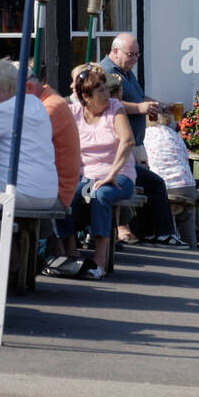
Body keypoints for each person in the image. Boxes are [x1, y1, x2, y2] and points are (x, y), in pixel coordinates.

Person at [100, 35, 184, 247]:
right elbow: (110, 103)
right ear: (115, 51)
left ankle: (148, 232)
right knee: (153, 183)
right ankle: (160, 232)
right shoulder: (107, 73)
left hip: (135, 143)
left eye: (137, 54)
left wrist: (160, 106)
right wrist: (139, 109)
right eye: (131, 54)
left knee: (147, 185)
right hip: (121, 146)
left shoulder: (126, 73)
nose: (135, 58)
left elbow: (139, 98)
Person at [71, 65, 136, 280]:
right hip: (86, 175)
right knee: (64, 196)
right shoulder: (75, 112)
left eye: (106, 88)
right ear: (85, 97)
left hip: (119, 174)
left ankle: (100, 261)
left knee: (101, 195)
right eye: (100, 90)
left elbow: (127, 141)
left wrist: (112, 174)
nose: (107, 93)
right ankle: (69, 254)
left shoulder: (115, 108)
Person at [0, 58, 58, 210]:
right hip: (48, 193)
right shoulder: (36, 104)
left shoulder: (4, 110)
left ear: (3, 87)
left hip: (21, 191)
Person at [26, 67, 81, 258]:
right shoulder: (47, 100)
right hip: (55, 182)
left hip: (58, 188)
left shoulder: (50, 107)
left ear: (27, 87)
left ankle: (20, 264)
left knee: (1, 203)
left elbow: (26, 140)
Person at [143, 109, 198, 248]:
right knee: (186, 215)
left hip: (166, 187)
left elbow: (143, 160)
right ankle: (192, 247)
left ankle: (160, 238)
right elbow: (185, 157)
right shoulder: (175, 135)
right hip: (188, 186)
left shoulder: (145, 134)